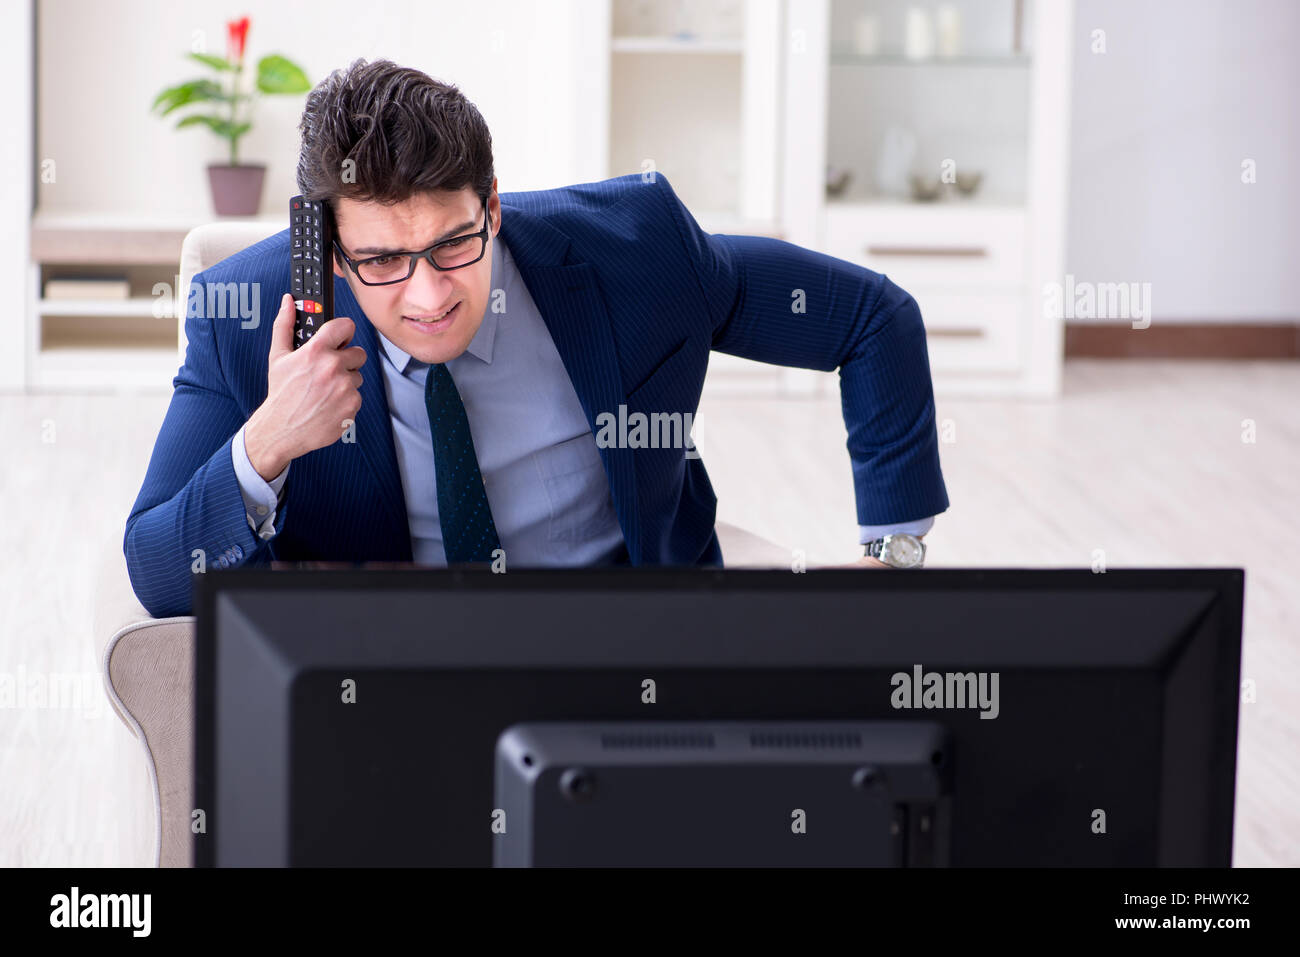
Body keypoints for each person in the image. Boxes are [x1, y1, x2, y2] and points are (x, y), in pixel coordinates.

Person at [124, 58, 948, 618]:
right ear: (330, 251)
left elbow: (872, 318)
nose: (429, 293)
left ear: (492, 202)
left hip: (638, 649)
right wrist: (266, 442)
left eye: (453, 242)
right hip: (400, 680)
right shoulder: (243, 311)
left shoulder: (636, 248)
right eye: (380, 259)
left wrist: (896, 555)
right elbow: (157, 569)